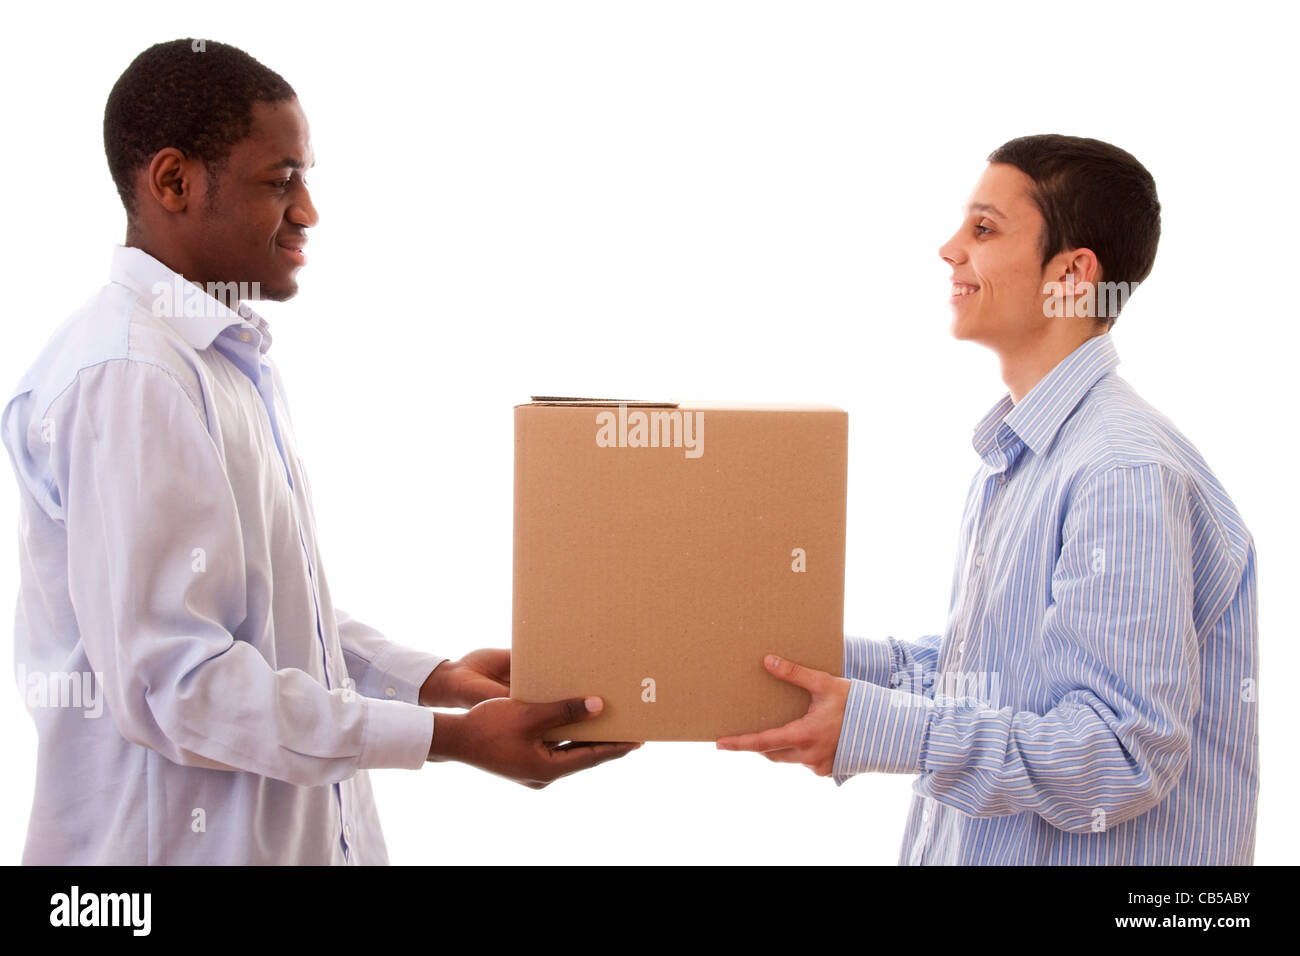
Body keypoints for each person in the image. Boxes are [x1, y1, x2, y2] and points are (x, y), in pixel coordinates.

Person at [0, 38, 636, 866]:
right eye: (280, 180)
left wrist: (432, 680)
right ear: (173, 182)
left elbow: (257, 611)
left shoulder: (219, 360)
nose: (308, 210)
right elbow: (181, 688)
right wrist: (452, 739)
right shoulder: (130, 376)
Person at [717, 134, 1258, 865]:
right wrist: (789, 664)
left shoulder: (1120, 469)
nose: (948, 249)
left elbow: (1120, 756)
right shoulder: (1024, 456)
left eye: (983, 229)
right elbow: (997, 679)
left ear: (1072, 274)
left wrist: (890, 729)